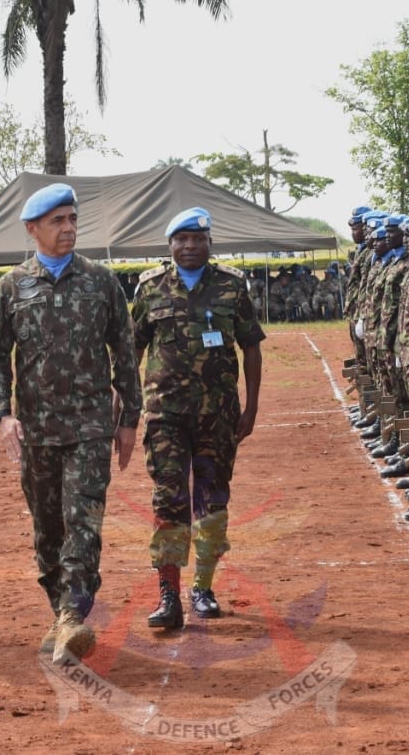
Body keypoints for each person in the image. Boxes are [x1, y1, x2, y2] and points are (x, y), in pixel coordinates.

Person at [0, 183, 141, 663]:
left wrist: (129, 419)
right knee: (47, 528)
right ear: (33, 229)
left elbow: (125, 350)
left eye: (72, 219)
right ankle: (62, 615)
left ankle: (73, 612)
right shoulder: (11, 286)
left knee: (82, 519)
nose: (69, 228)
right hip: (36, 429)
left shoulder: (101, 282)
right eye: (57, 221)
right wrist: (2, 414)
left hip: (90, 426)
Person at [130, 207, 265, 630]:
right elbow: (133, 348)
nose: (189, 246)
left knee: (212, 499)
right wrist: (125, 402)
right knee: (169, 499)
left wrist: (251, 406)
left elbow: (251, 346)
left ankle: (203, 588)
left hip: (217, 414)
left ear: (209, 242)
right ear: (170, 244)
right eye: (181, 239)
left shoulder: (232, 286)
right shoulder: (150, 288)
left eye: (197, 239)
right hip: (164, 414)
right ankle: (168, 595)